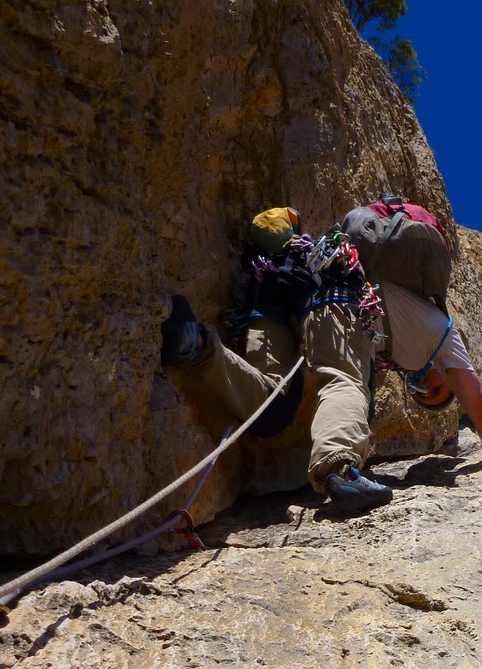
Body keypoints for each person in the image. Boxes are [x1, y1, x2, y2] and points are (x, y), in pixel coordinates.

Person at [159, 207, 394, 515]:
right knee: (343, 379)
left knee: (272, 406)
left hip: (266, 309)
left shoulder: (265, 271)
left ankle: (199, 344)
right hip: (330, 297)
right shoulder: (316, 249)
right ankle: (340, 468)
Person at [375, 278, 482, 462]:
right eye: (437, 389)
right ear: (451, 380)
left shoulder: (387, 354)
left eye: (421, 393)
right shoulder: (444, 340)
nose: (426, 387)